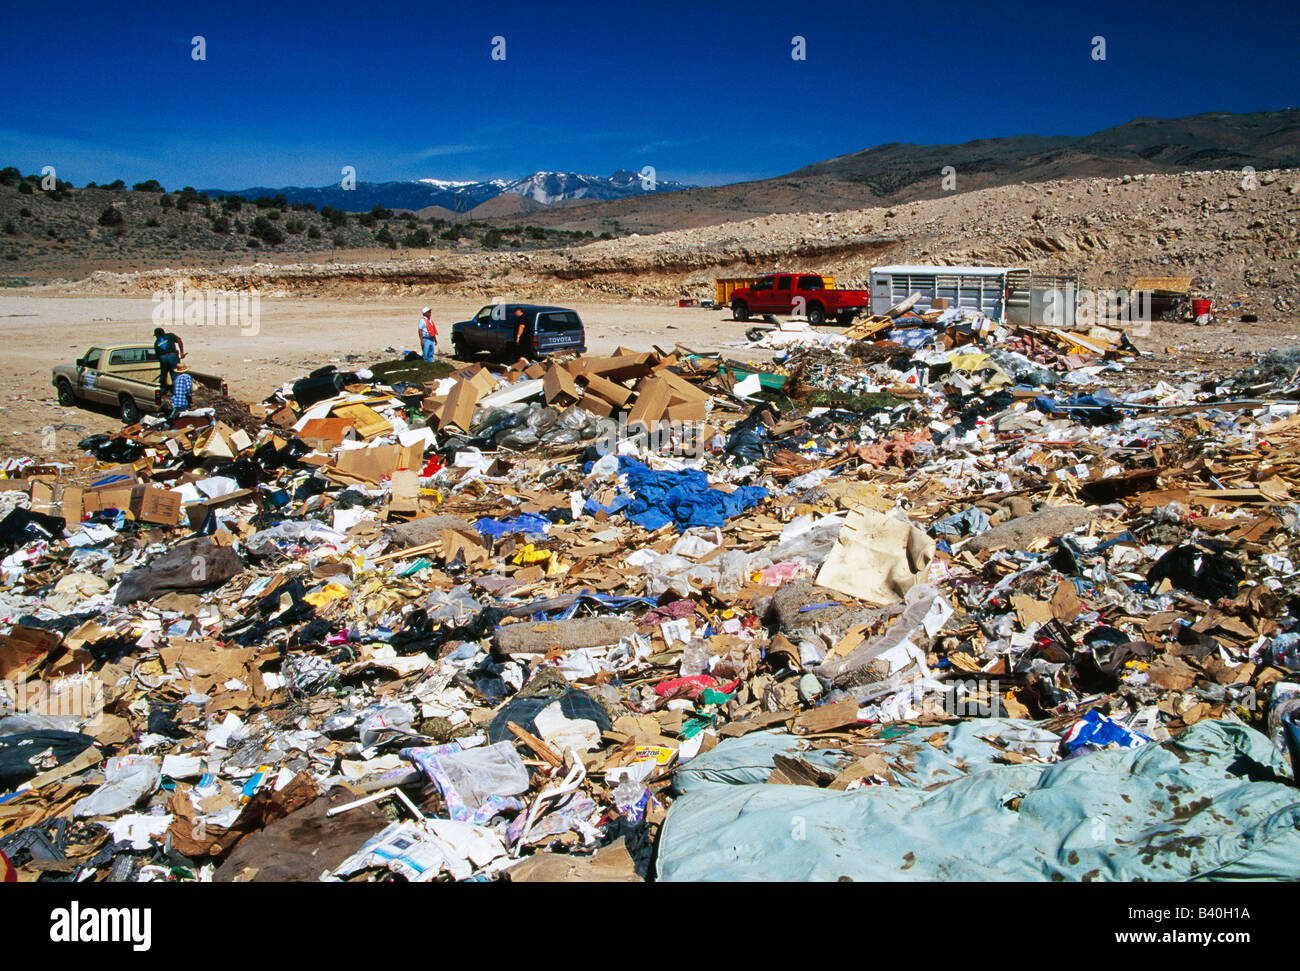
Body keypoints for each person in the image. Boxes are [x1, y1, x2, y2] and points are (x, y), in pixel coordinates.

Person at [153, 327, 184, 392]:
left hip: (163, 358)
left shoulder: (156, 342)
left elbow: (157, 355)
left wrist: (163, 362)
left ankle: (162, 390)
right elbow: (179, 341)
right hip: (173, 356)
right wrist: (181, 352)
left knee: (163, 374)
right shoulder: (170, 335)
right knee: (175, 374)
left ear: (157, 335)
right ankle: (177, 391)